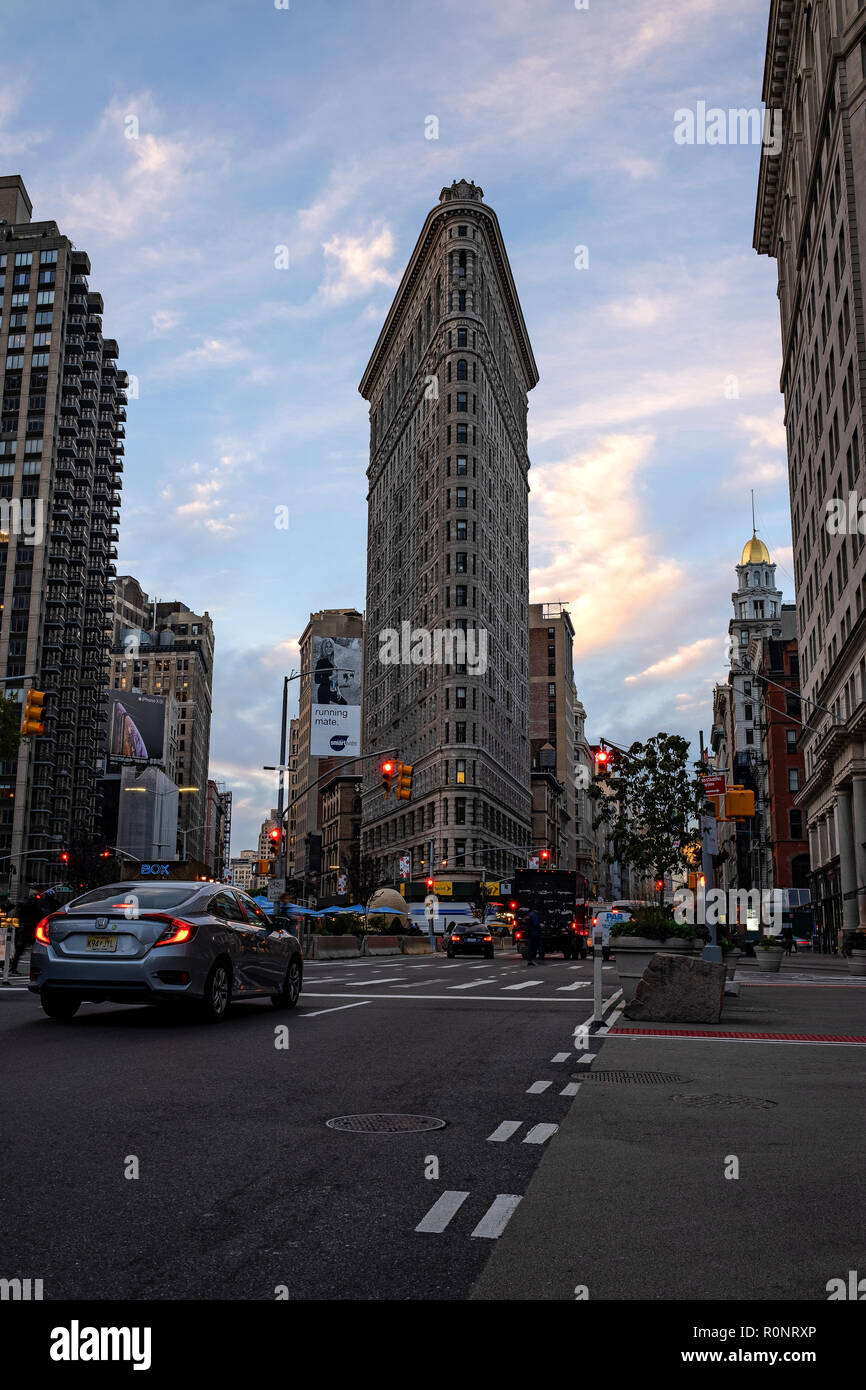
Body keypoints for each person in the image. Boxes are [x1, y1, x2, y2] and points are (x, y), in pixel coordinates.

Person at [11, 888, 44, 975]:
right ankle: (36, 970)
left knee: (20, 950)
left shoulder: (22, 903)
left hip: (24, 928)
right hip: (32, 929)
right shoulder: (36, 903)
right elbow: (41, 914)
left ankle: (13, 968)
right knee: (37, 950)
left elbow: (16, 915)